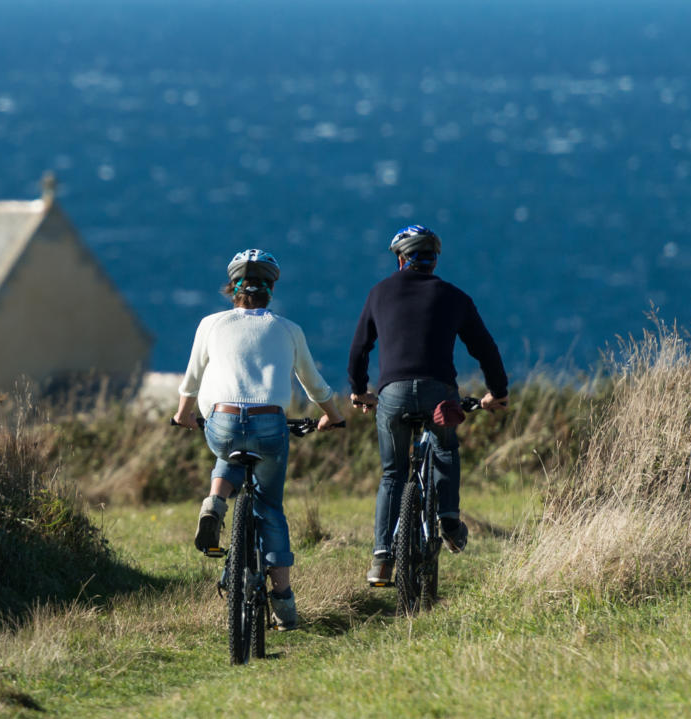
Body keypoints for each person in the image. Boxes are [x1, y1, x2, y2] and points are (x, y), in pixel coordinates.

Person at [174, 249, 348, 631]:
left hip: (222, 421)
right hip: (270, 424)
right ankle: (283, 603)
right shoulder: (288, 329)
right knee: (269, 507)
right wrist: (333, 417)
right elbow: (315, 385)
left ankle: (215, 502)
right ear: (271, 290)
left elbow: (191, 380)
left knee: (226, 449)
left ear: (232, 288)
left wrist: (184, 415)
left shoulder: (210, 324)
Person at [347, 225, 509, 588]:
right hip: (440, 395)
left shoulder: (379, 293)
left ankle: (381, 559)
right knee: (445, 448)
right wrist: (496, 392)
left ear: (401, 259)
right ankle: (449, 522)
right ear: (434, 260)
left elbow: (359, 349)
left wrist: (359, 391)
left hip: (393, 395)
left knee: (393, 474)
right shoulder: (454, 296)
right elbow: (486, 349)